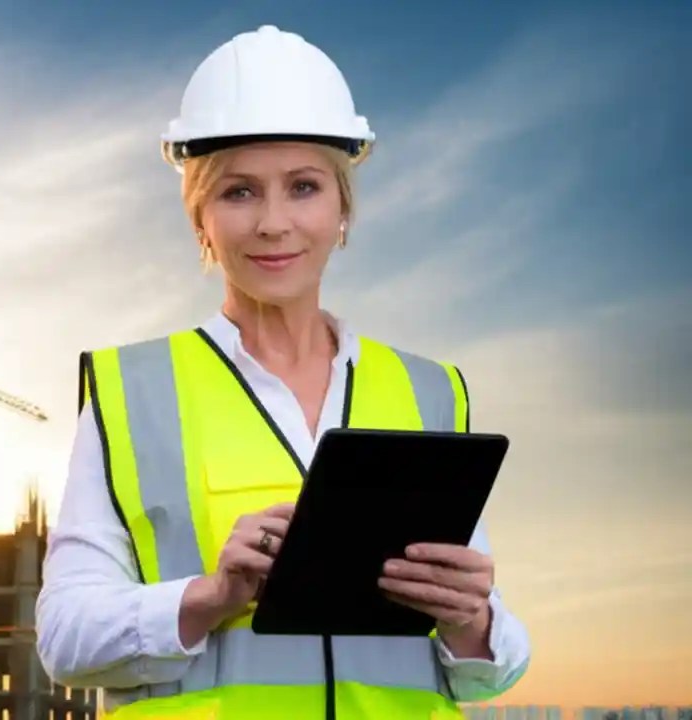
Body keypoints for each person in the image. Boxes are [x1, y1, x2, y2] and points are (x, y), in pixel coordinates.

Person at [34, 24, 531, 720]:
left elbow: (491, 670)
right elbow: (63, 639)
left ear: (342, 210)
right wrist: (212, 596)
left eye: (303, 187)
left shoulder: (429, 392)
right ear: (200, 219)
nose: (274, 223)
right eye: (239, 192)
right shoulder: (132, 393)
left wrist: (470, 622)